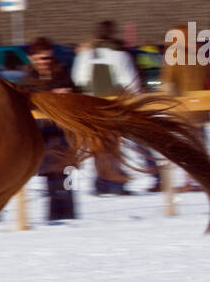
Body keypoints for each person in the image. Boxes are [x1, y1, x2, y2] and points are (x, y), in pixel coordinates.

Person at [19, 37, 78, 221]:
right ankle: (54, 219)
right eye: (42, 58)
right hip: (42, 134)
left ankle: (69, 217)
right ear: (32, 58)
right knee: (49, 180)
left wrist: (67, 94)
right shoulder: (28, 78)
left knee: (65, 180)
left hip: (63, 134)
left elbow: (76, 93)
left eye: (49, 58)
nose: (46, 62)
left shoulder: (62, 73)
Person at [71, 35, 139, 194]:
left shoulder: (84, 57)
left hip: (91, 107)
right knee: (111, 146)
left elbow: (78, 80)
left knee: (99, 147)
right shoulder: (119, 55)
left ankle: (102, 182)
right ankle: (113, 183)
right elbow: (130, 82)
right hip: (112, 107)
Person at [159, 25, 210, 194]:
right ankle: (204, 179)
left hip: (182, 111)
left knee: (187, 148)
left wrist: (163, 102)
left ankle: (192, 181)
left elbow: (168, 84)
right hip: (202, 108)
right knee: (200, 145)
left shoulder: (174, 55)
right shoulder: (203, 53)